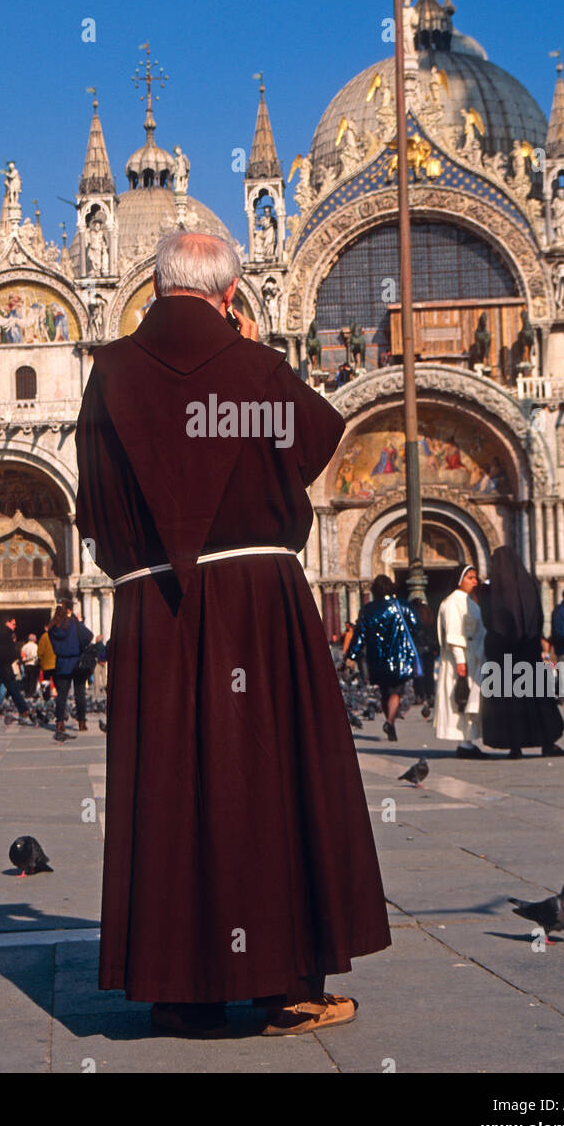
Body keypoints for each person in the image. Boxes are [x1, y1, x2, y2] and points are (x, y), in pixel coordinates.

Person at [75, 228, 389, 1038]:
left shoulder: (108, 374)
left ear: (153, 287)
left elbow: (94, 508)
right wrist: (259, 353)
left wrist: (146, 559)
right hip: (258, 603)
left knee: (173, 786)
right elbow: (318, 441)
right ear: (228, 295)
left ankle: (181, 990)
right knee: (271, 781)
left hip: (154, 608)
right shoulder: (252, 369)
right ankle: (285, 986)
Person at [480, 547, 564, 758]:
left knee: (508, 701)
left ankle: (514, 747)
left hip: (502, 654)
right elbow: (538, 617)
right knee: (537, 699)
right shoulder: (530, 585)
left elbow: (487, 621)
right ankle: (548, 744)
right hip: (528, 650)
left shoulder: (489, 591)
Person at [345, 575, 420, 741]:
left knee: (385, 690)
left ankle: (390, 722)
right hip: (399, 656)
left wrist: (351, 656)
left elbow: (359, 635)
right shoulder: (403, 606)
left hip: (377, 658)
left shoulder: (368, 609)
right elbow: (415, 626)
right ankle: (390, 721)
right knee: (396, 692)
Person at [435, 565, 486, 757]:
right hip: (463, 659)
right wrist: (460, 662)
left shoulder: (469, 602)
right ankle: (464, 744)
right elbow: (454, 635)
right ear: (459, 580)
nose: (475, 581)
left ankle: (468, 741)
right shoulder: (451, 603)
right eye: (470, 578)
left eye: (475, 578)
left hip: (474, 656)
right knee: (462, 699)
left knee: (470, 700)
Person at [49, 597, 93, 739]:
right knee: (79, 694)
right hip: (77, 662)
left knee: (61, 696)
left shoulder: (53, 628)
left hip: (62, 663)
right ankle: (81, 722)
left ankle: (60, 722)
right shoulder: (75, 624)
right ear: (69, 610)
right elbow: (89, 636)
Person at [21, 634, 40, 699]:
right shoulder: (35, 646)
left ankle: (27, 693)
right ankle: (31, 693)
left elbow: (22, 655)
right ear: (34, 639)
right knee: (33, 680)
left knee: (27, 679)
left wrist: (25, 660)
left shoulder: (24, 646)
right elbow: (35, 656)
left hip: (26, 664)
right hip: (33, 664)